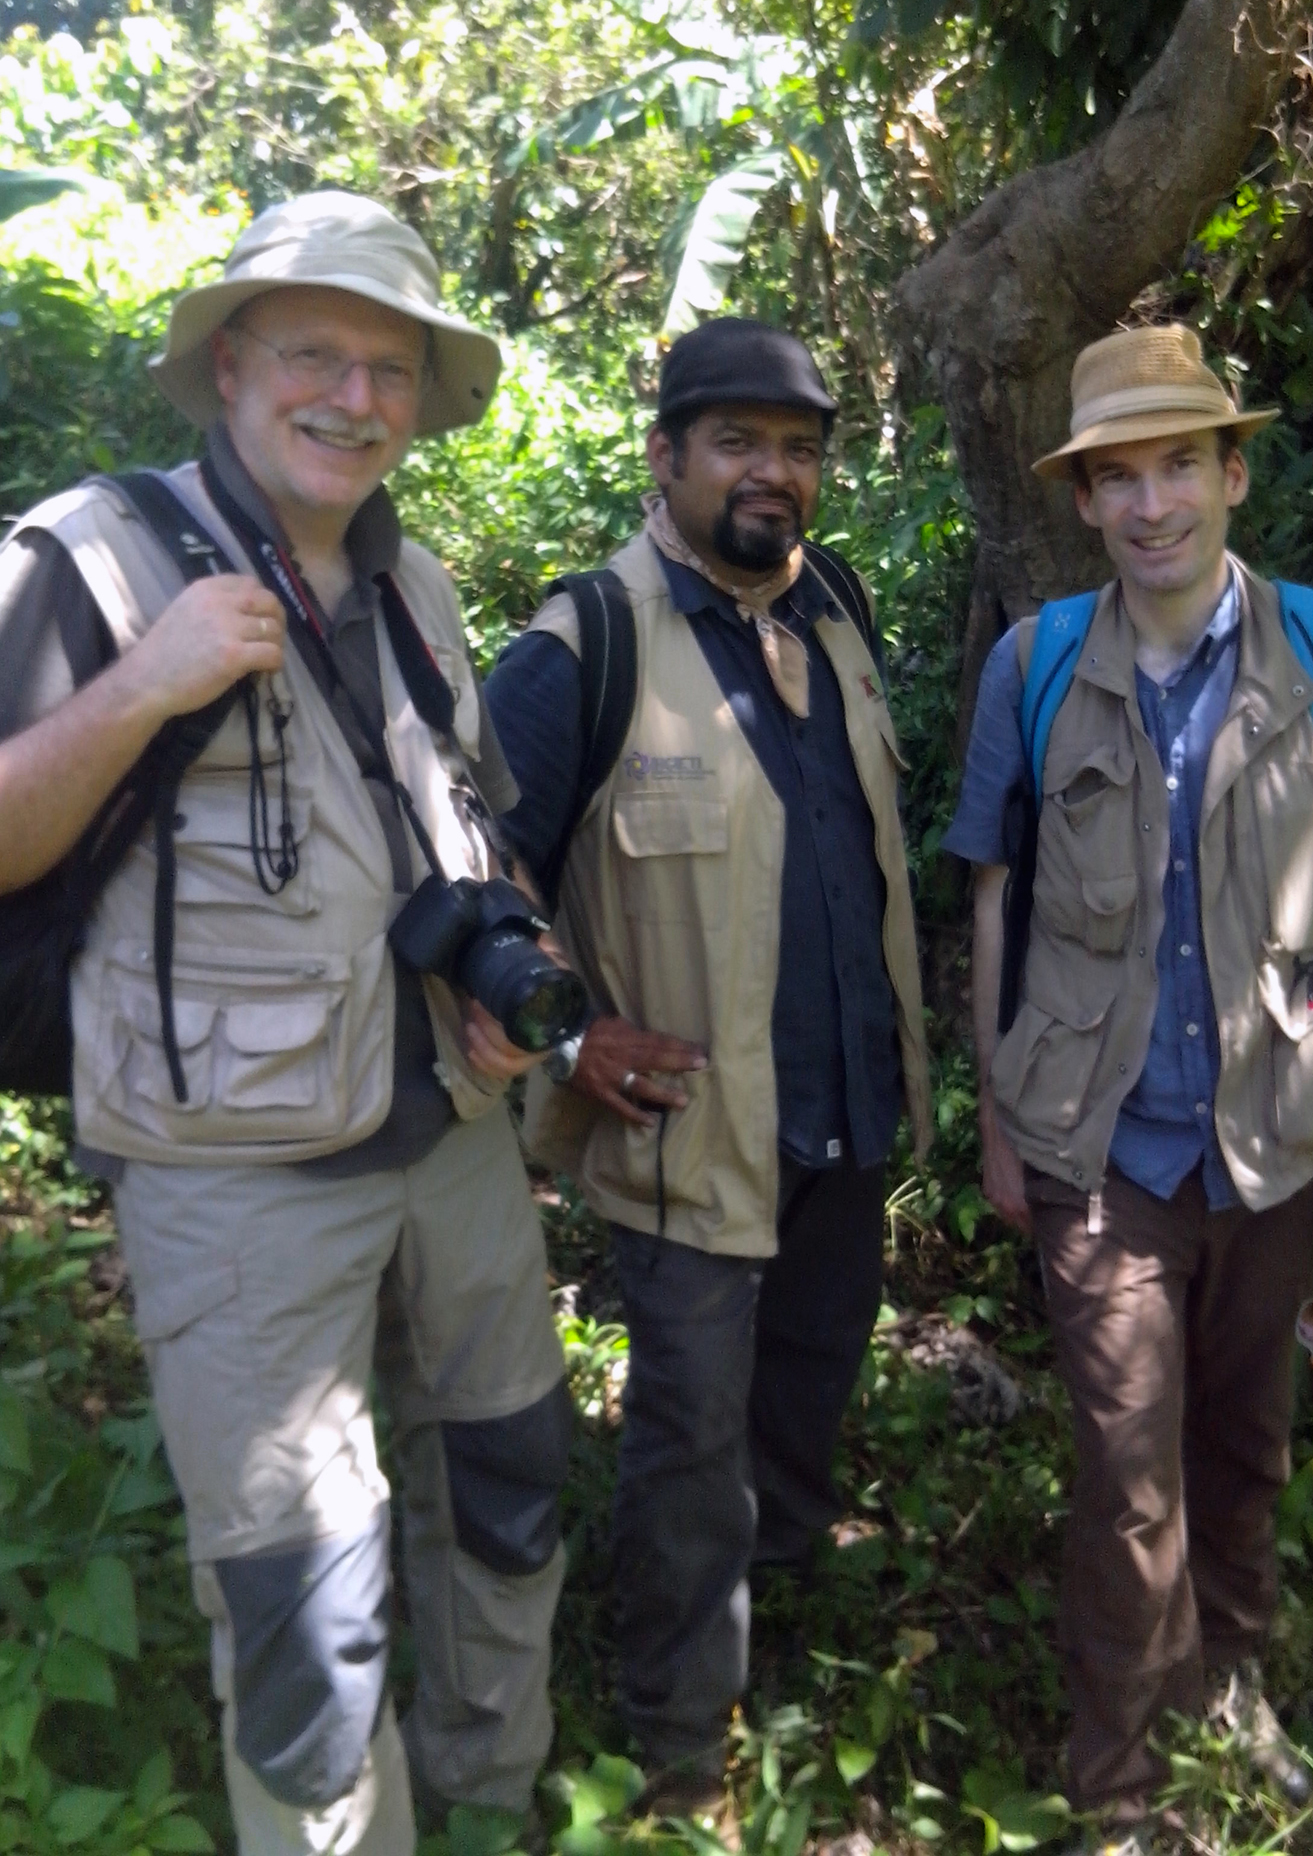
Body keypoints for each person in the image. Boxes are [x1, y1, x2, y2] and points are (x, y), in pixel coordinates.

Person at [0, 191, 573, 1855]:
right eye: (314, 351)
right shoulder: (85, 558)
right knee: (301, 1609)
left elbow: (468, 836)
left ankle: (489, 1801)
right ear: (232, 364)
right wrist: (149, 683)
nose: (355, 395)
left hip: (451, 1143)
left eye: (390, 364)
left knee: (511, 1486)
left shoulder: (424, 590)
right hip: (230, 1180)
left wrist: (509, 972)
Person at [945, 324, 1313, 1852]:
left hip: (1281, 1134)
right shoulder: (1030, 668)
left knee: (1243, 1438)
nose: (1152, 503)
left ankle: (1229, 1679)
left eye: (1179, 464)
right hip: (1103, 1147)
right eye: (1117, 476)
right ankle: (1120, 1783)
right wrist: (1000, 1118)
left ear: (1232, 471)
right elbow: (989, 905)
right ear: (1083, 501)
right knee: (1124, 1468)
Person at [483, 317, 933, 1813]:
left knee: (804, 1395)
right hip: (691, 1132)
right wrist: (567, 1029)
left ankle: (781, 1638)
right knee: (688, 1444)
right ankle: (681, 1748)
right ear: (665, 455)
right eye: (736, 441)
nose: (773, 473)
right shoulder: (583, 648)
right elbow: (475, 876)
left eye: (798, 447)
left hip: (845, 1121)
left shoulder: (840, 606)